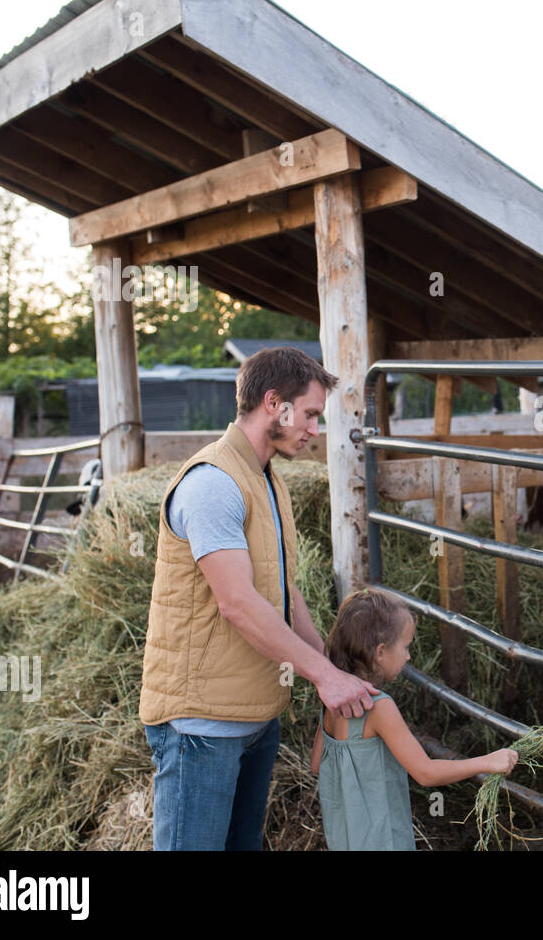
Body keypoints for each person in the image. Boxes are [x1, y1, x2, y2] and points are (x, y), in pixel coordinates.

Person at [140, 346, 381, 851]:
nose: (314, 429)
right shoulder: (213, 483)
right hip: (201, 726)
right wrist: (322, 677)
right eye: (310, 414)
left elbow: (280, 590)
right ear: (274, 403)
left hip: (254, 715)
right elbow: (239, 603)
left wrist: (331, 663)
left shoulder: (268, 482)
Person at [311, 588, 518, 850]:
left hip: (345, 839)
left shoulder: (333, 702)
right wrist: (486, 762)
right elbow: (425, 773)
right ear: (381, 651)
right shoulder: (379, 708)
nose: (409, 656)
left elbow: (317, 765)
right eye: (406, 647)